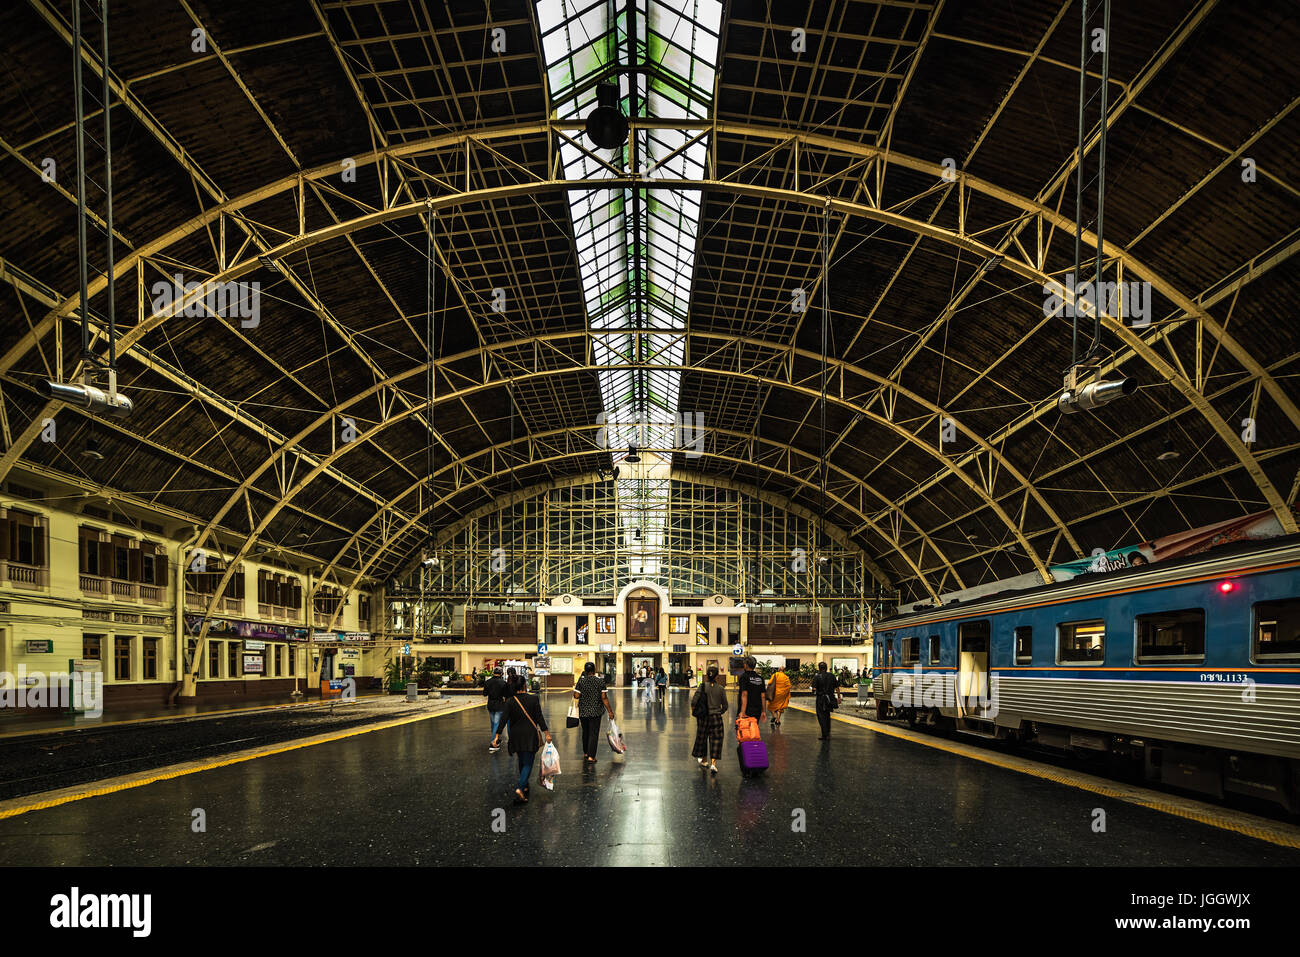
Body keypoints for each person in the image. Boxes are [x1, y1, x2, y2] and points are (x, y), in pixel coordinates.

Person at [491, 680, 551, 803]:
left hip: (515, 735)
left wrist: (497, 735)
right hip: (529, 734)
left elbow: (503, 719)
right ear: (525, 685)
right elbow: (539, 717)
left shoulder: (510, 701)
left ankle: (525, 785)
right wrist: (547, 733)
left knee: (522, 760)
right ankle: (520, 788)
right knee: (528, 763)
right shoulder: (533, 699)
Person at [573, 661, 614, 765]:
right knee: (593, 734)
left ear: (585, 670)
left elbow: (576, 696)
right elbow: (604, 698)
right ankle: (591, 756)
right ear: (594, 670)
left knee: (585, 732)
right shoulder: (600, 681)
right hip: (596, 712)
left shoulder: (581, 681)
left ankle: (586, 753)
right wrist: (610, 711)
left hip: (583, 712)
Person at [690, 664, 728, 773]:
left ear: (707, 675)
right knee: (716, 740)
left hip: (703, 717)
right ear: (717, 676)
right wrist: (719, 712)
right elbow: (725, 705)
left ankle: (704, 760)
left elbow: (694, 702)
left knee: (702, 738)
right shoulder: (721, 688)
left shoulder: (702, 686)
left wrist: (695, 713)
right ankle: (713, 763)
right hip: (716, 717)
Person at [812, 661, 842, 740]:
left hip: (821, 699)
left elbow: (814, 689)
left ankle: (824, 734)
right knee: (827, 716)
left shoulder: (817, 676)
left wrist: (814, 690)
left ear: (819, 668)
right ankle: (827, 733)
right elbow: (837, 688)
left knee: (821, 716)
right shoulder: (832, 676)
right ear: (826, 667)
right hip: (830, 698)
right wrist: (839, 697)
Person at [483, 666, 510, 753]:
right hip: (499, 705)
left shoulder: (487, 682)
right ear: (501, 673)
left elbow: (484, 694)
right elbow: (506, 695)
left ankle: (496, 738)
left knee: (493, 723)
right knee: (497, 724)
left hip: (490, 704)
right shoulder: (503, 683)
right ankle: (493, 742)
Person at [736, 656, 766, 726]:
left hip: (747, 710)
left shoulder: (744, 677)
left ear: (745, 665)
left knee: (745, 732)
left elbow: (744, 694)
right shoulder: (760, 678)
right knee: (754, 731)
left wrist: (742, 711)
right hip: (757, 710)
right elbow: (763, 696)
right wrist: (763, 711)